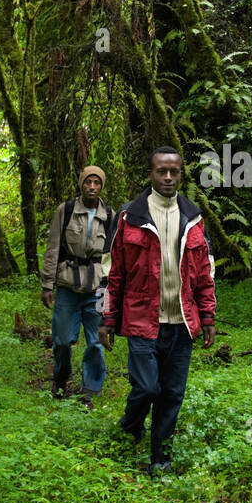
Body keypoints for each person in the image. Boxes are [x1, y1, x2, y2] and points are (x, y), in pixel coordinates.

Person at [100, 147, 216, 475]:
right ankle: (131, 425)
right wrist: (107, 319)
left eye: (174, 172)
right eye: (161, 171)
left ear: (181, 174)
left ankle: (160, 459)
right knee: (148, 388)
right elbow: (113, 272)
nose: (168, 177)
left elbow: (205, 273)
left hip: (181, 322)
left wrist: (207, 317)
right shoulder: (129, 217)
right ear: (150, 174)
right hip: (141, 320)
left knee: (172, 393)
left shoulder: (194, 218)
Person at [42, 166, 116, 404]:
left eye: (96, 183)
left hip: (98, 287)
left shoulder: (110, 215)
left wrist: (112, 291)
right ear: (81, 184)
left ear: (102, 186)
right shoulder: (66, 211)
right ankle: (61, 378)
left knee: (96, 341)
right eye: (88, 182)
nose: (92, 187)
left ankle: (90, 392)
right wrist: (47, 284)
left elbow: (113, 256)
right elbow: (53, 247)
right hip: (67, 285)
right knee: (62, 340)